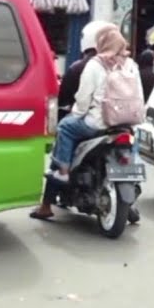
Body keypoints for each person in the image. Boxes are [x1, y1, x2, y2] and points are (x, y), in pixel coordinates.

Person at [31, 26, 144, 220]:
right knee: (131, 145)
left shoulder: (94, 64)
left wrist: (76, 113)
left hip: (97, 124)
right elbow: (139, 95)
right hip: (125, 122)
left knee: (65, 128)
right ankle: (130, 203)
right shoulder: (131, 64)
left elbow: (82, 99)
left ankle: (62, 175)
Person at [58, 20, 113, 119]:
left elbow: (63, 99)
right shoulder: (123, 65)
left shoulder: (78, 67)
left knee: (63, 128)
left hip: (88, 118)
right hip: (116, 117)